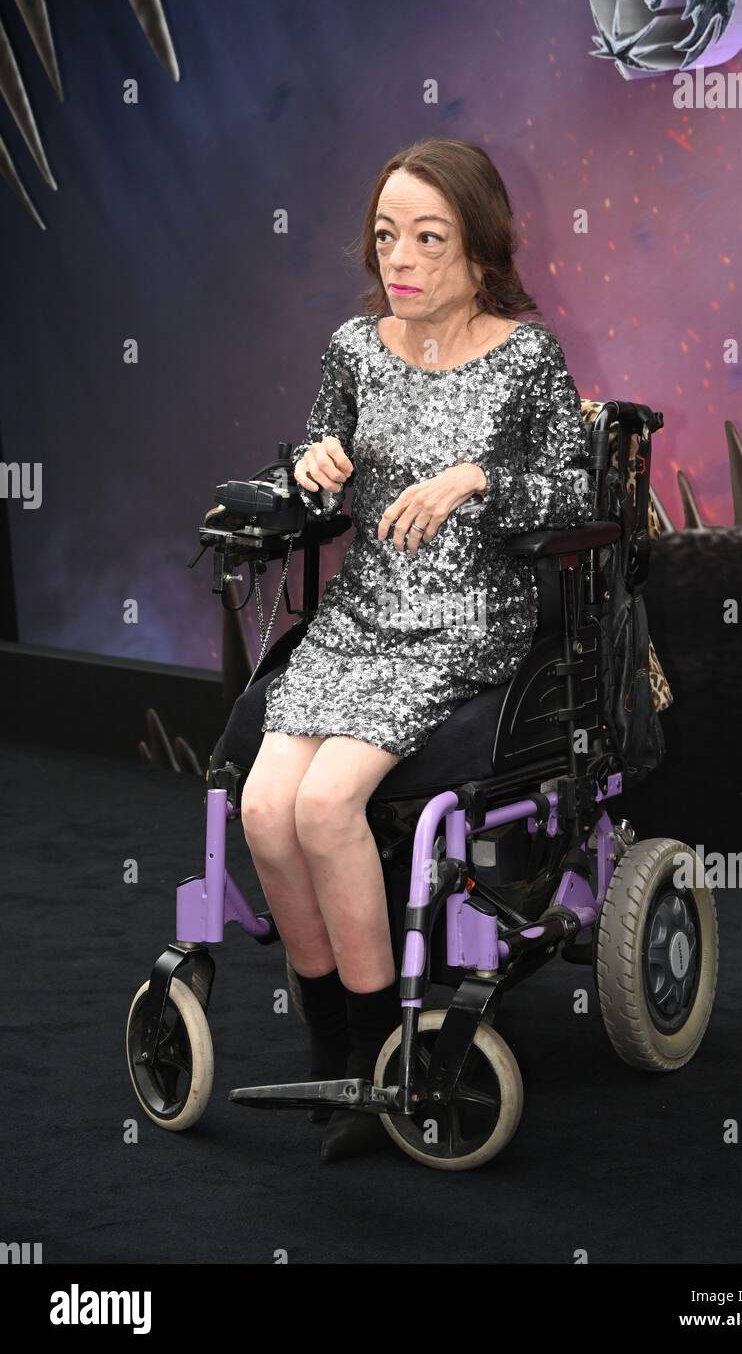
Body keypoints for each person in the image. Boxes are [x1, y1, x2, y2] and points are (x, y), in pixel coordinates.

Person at [240, 137, 592, 1162]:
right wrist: (312, 465)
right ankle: (336, 1050)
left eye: (428, 239)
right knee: (266, 811)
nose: (401, 258)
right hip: (362, 615)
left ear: (480, 254)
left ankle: (383, 1054)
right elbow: (315, 478)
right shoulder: (354, 347)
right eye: (388, 235)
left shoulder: (527, 357)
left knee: (323, 802)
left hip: (464, 619)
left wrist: (474, 477)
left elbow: (576, 494)